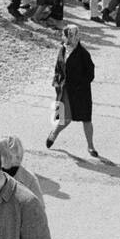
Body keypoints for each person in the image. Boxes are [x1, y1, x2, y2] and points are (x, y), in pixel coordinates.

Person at [46, 23, 98, 156]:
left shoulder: (83, 53)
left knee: (86, 119)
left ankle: (90, 146)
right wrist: (57, 81)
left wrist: (81, 84)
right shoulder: (62, 50)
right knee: (65, 118)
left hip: (81, 92)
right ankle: (54, 133)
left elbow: (90, 74)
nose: (64, 38)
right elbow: (58, 68)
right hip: (65, 90)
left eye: (66, 35)